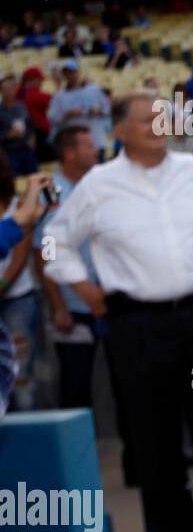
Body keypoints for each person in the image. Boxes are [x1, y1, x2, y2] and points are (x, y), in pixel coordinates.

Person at [42, 92, 193, 532]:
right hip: (138, 327)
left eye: (164, 116)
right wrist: (85, 290)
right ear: (119, 131)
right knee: (155, 441)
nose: (159, 124)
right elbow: (54, 244)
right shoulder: (97, 186)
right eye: (146, 118)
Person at [33, 126, 103, 411]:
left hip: (112, 300)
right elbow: (44, 251)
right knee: (75, 385)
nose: (97, 149)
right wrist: (58, 305)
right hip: (74, 306)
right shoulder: (51, 193)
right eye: (88, 146)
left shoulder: (103, 184)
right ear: (70, 154)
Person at [0, 154, 41, 411]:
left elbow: (22, 252)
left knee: (22, 379)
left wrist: (2, 288)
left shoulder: (17, 205)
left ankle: (27, 447)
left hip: (16, 299)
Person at [46, 60, 111, 151]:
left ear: (78, 72)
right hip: (74, 145)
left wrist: (98, 111)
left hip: (96, 141)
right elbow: (52, 118)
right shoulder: (59, 96)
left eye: (72, 72)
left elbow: (107, 109)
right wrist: (67, 115)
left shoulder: (93, 90)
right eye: (67, 72)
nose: (70, 75)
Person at [0, 75, 37, 176]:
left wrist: (32, 137)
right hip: (10, 153)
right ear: (1, 91)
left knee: (34, 178)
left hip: (27, 151)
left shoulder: (21, 107)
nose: (10, 91)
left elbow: (30, 125)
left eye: (12, 88)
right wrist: (8, 135)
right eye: (6, 89)